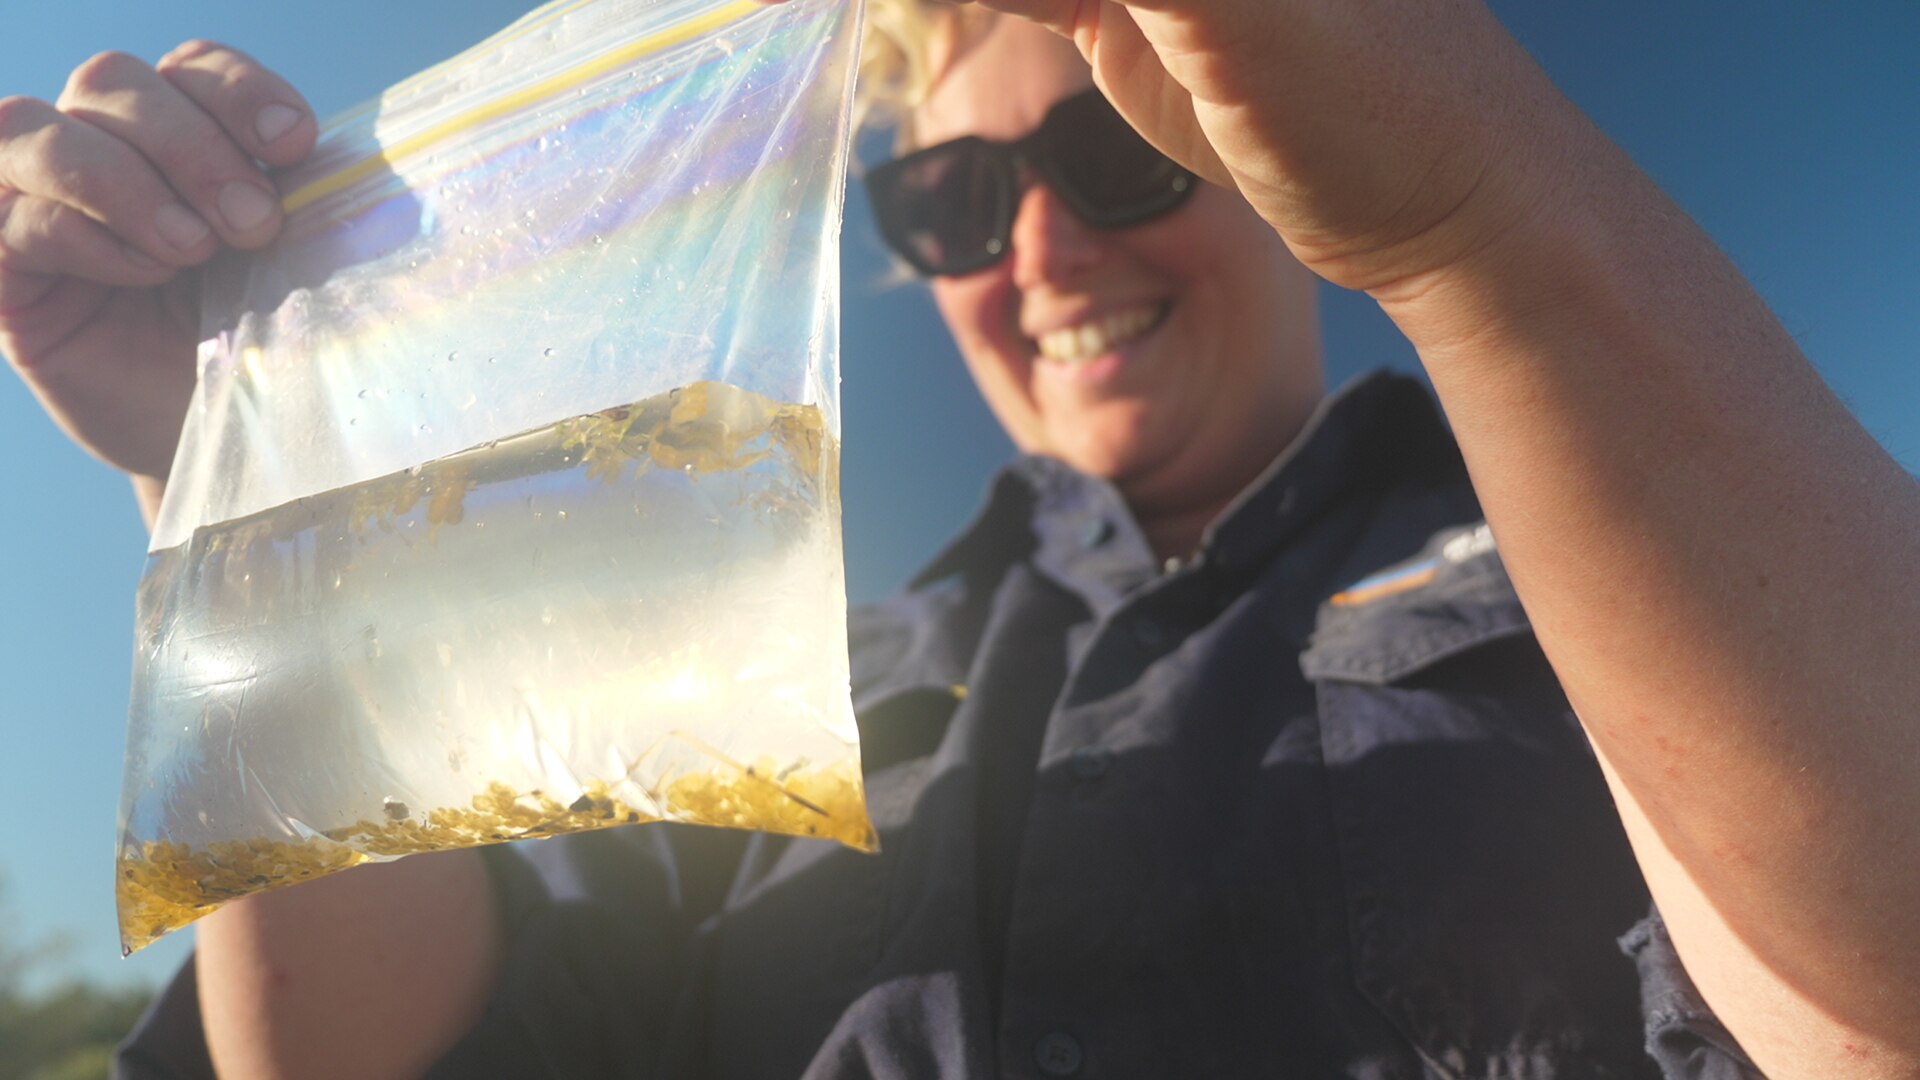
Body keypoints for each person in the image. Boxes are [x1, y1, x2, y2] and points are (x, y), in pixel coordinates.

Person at [2, 0, 1915, 1076]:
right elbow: (351, 1068)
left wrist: (1473, 223)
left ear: (1280, 173)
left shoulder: (1647, 562)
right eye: (951, 197)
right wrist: (241, 477)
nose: (1044, 251)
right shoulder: (738, 702)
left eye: (1114, 157)